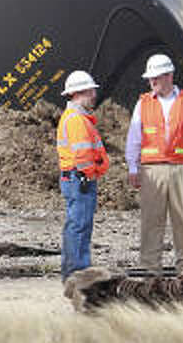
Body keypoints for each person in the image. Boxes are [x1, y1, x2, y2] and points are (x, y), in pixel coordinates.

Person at [125, 53, 183, 275]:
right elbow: (134, 138)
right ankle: (150, 267)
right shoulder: (143, 103)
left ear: (169, 76)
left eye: (156, 78)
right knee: (151, 221)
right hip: (152, 170)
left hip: (182, 168)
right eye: (150, 79)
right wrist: (133, 167)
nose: (151, 82)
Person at [55, 69, 109, 281]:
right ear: (78, 93)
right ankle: (77, 272)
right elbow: (83, 155)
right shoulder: (77, 119)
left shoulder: (76, 117)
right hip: (80, 179)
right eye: (90, 91)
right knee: (79, 225)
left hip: (77, 178)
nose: (94, 95)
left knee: (77, 224)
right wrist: (91, 174)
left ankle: (75, 271)